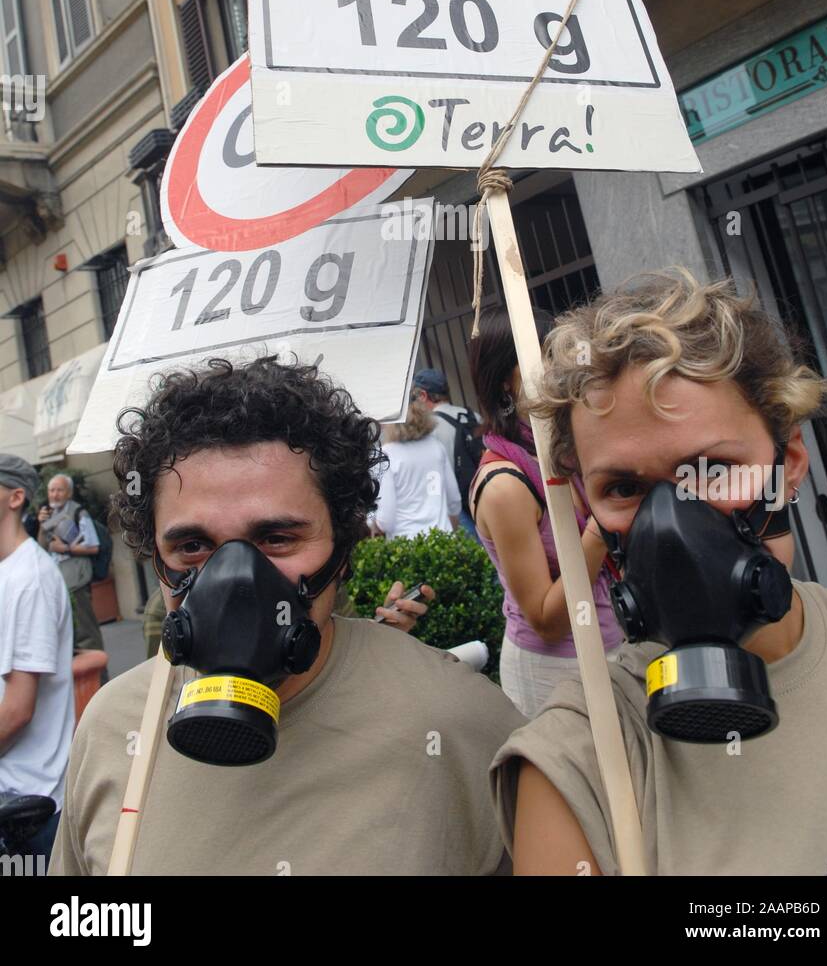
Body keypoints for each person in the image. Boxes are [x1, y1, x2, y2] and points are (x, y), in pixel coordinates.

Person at [49, 356, 523, 876]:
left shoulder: (464, 725)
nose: (235, 580)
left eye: (276, 539)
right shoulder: (112, 728)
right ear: (155, 555)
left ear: (342, 546)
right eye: (191, 545)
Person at [491, 268, 827, 876]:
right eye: (624, 487)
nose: (672, 525)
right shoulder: (576, 764)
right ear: (586, 506)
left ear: (789, 461)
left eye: (713, 471)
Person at [468, 308, 622, 719]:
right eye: (542, 357)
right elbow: (546, 620)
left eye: (560, 354)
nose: (559, 369)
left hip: (618, 647)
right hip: (555, 671)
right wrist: (600, 525)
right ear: (505, 378)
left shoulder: (564, 449)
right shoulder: (504, 486)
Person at [0, 454, 74, 868]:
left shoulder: (29, 578)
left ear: (15, 497)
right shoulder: (8, 573)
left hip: (32, 810)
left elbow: (16, 712)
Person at [140, 567, 433, 658]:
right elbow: (167, 678)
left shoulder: (317, 586)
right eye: (195, 544)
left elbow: (343, 649)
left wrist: (382, 635)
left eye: (277, 538)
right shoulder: (165, 607)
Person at [37, 474, 105, 665]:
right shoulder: (48, 514)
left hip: (77, 581)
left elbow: (94, 547)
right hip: (58, 583)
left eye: (59, 490)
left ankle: (100, 680)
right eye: (51, 490)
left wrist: (66, 548)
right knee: (70, 637)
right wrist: (42, 527)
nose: (55, 494)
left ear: (69, 493)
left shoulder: (78, 513)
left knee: (87, 634)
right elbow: (42, 549)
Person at [375, 396, 462, 539]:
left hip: (406, 545)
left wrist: (372, 521)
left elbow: (386, 521)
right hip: (443, 539)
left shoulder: (386, 454)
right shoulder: (436, 447)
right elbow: (454, 501)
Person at [413, 368, 482, 536]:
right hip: (485, 497)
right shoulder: (473, 416)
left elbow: (432, 478)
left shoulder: (428, 429)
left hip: (458, 508)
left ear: (423, 395)